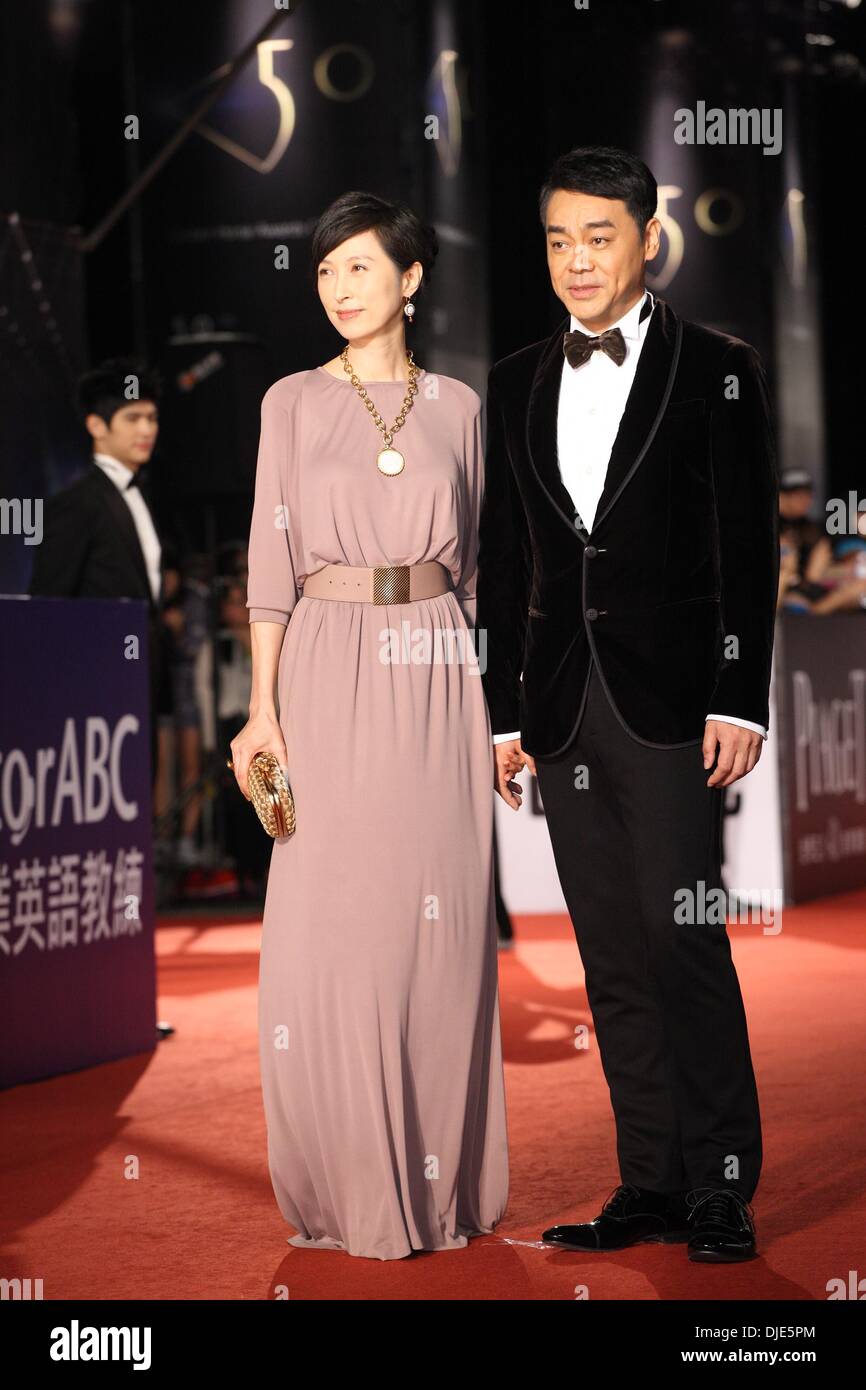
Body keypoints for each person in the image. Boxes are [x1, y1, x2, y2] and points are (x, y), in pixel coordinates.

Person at [476, 146, 779, 1263]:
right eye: (556, 240)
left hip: (670, 701)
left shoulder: (719, 366)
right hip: (560, 708)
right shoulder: (514, 378)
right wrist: (502, 713)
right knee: (607, 951)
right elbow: (503, 562)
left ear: (646, 239)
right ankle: (647, 1178)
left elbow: (744, 550)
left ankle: (721, 1182)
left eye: (597, 237)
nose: (575, 261)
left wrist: (738, 695)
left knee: (680, 939)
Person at [229, 191, 508, 1260]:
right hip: (327, 660)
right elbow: (266, 566)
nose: (339, 288)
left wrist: (495, 709)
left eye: (358, 267)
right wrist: (263, 709)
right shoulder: (289, 401)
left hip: (436, 659)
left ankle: (441, 1178)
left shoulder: (459, 406)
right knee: (337, 933)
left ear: (411, 278)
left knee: (435, 938)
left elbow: (482, 569)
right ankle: (350, 1182)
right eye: (324, 272)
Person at [29, 357, 165, 779]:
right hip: (94, 691)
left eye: (152, 417)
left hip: (141, 678)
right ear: (96, 426)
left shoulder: (142, 496)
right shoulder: (76, 504)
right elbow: (48, 606)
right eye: (133, 417)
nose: (147, 429)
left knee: (141, 796)